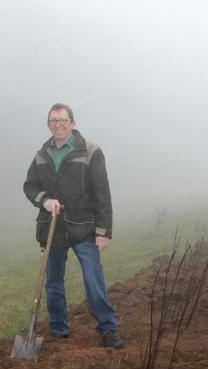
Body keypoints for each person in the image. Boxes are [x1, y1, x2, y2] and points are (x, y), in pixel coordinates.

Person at [23, 103, 124, 349]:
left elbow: (102, 193)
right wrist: (45, 201)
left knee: (93, 279)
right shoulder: (41, 155)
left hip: (84, 228)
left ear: (73, 123)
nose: (58, 125)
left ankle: (108, 328)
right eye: (53, 121)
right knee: (53, 282)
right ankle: (59, 330)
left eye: (63, 120)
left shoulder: (90, 151)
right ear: (48, 125)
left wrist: (103, 231)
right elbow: (30, 186)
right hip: (52, 229)